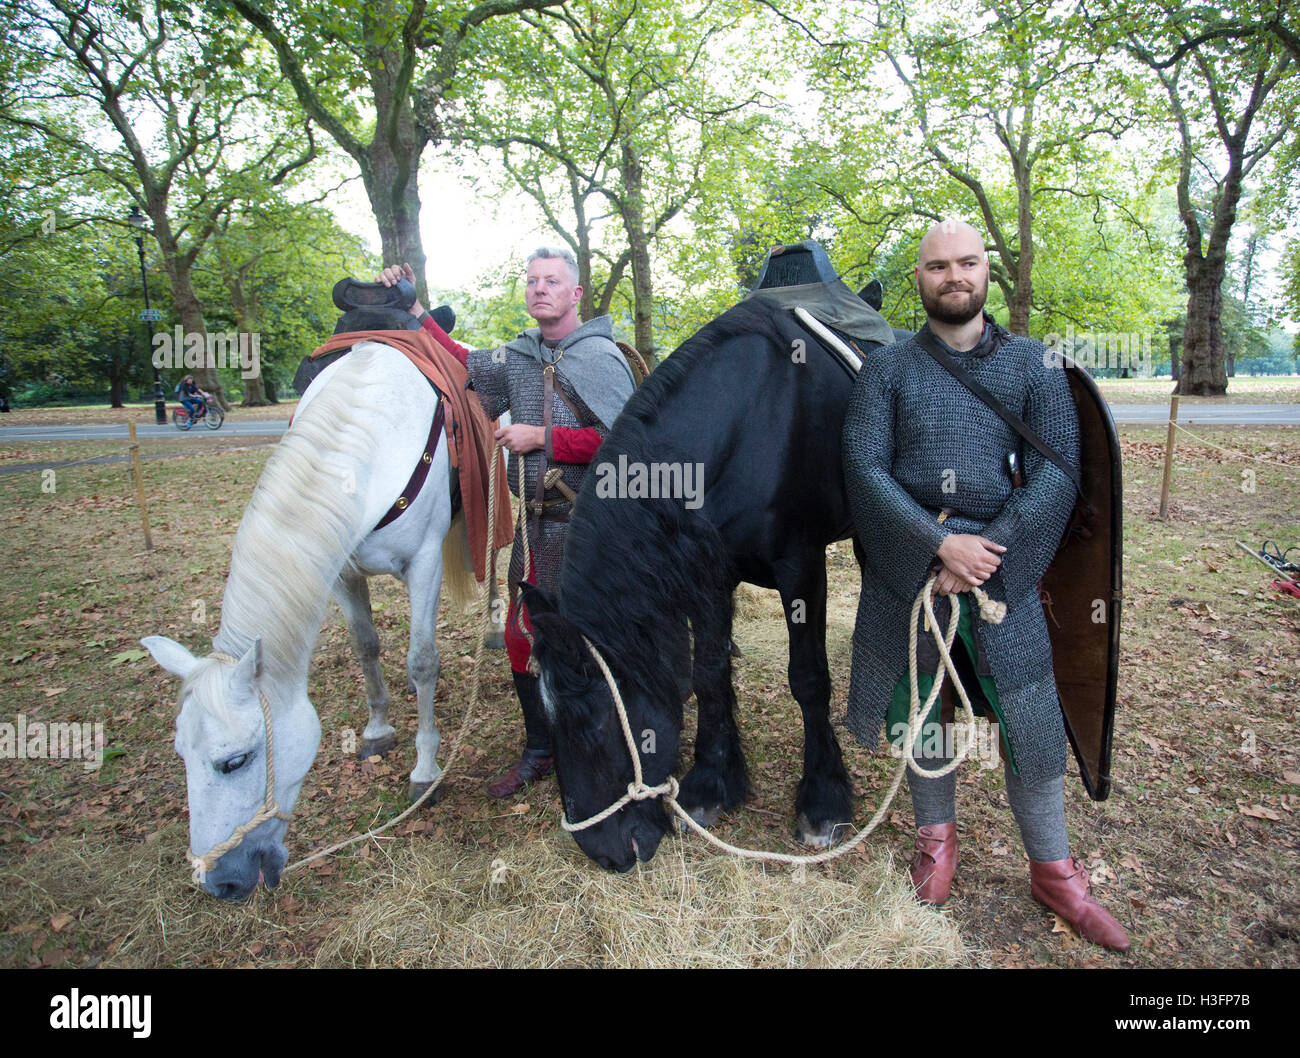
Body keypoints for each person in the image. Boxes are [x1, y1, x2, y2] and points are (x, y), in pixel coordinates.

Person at [841, 220, 1130, 951]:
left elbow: (1058, 473)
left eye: (967, 262)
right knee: (925, 713)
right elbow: (865, 472)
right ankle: (936, 844)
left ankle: (1054, 871)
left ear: (986, 272)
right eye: (937, 266)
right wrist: (938, 544)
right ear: (919, 280)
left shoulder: (1035, 367)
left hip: (1003, 579)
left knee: (1030, 728)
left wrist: (983, 555)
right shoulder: (887, 370)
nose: (954, 276)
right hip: (916, 578)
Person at [378, 248, 635, 797]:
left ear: (575, 294)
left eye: (552, 281)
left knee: (595, 638)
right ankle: (540, 748)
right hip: (535, 527)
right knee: (522, 636)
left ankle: (604, 747)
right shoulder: (516, 356)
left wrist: (545, 438)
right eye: (532, 281)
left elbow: (627, 441)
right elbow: (461, 358)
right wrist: (414, 309)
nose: (540, 289)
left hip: (592, 526)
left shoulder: (601, 355)